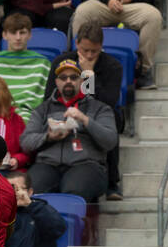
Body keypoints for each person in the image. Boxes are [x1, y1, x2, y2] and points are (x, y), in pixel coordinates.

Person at [45, 24, 127, 199]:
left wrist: (88, 76)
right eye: (85, 50)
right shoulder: (61, 62)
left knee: (109, 122)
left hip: (98, 114)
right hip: (65, 110)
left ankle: (112, 182)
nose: (89, 55)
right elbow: (48, 97)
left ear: (101, 47)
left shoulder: (113, 66)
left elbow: (107, 102)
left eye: (94, 51)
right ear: (76, 44)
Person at [19, 59, 117, 201]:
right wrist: (48, 137)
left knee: (74, 192)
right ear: (57, 82)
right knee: (30, 190)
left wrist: (85, 120)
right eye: (63, 78)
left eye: (73, 77)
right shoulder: (42, 109)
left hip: (86, 164)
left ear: (82, 81)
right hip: (47, 164)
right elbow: (25, 142)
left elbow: (110, 140)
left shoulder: (100, 108)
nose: (68, 81)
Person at [0, 13, 62, 121]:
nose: (18, 38)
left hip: (29, 118)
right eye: (13, 33)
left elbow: (51, 100)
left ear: (30, 35)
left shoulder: (42, 64)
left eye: (22, 33)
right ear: (4, 35)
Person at [4, 169, 66, 247]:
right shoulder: (0, 215)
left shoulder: (42, 209)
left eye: (19, 189)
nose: (15, 193)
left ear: (30, 192)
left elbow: (58, 229)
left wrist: (30, 205)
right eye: (10, 189)